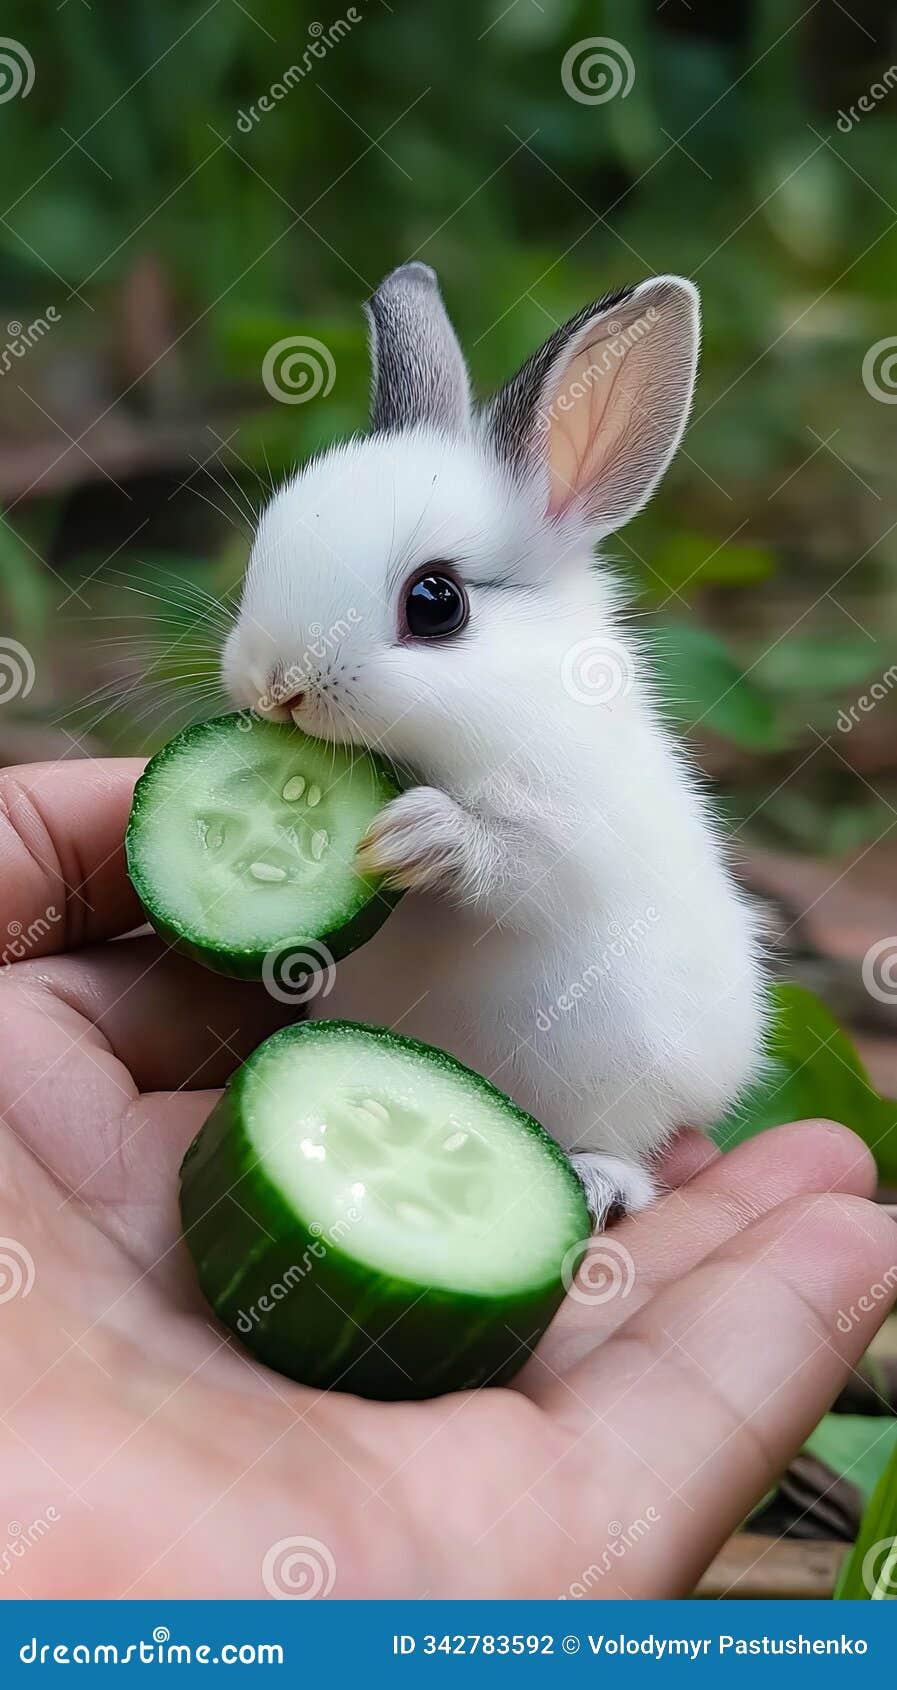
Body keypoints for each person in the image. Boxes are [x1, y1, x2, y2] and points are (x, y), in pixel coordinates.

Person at [0, 758, 893, 1600]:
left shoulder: (583, 750)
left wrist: (479, 850)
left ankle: (606, 1151)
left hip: (589, 1073)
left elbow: (591, 872)